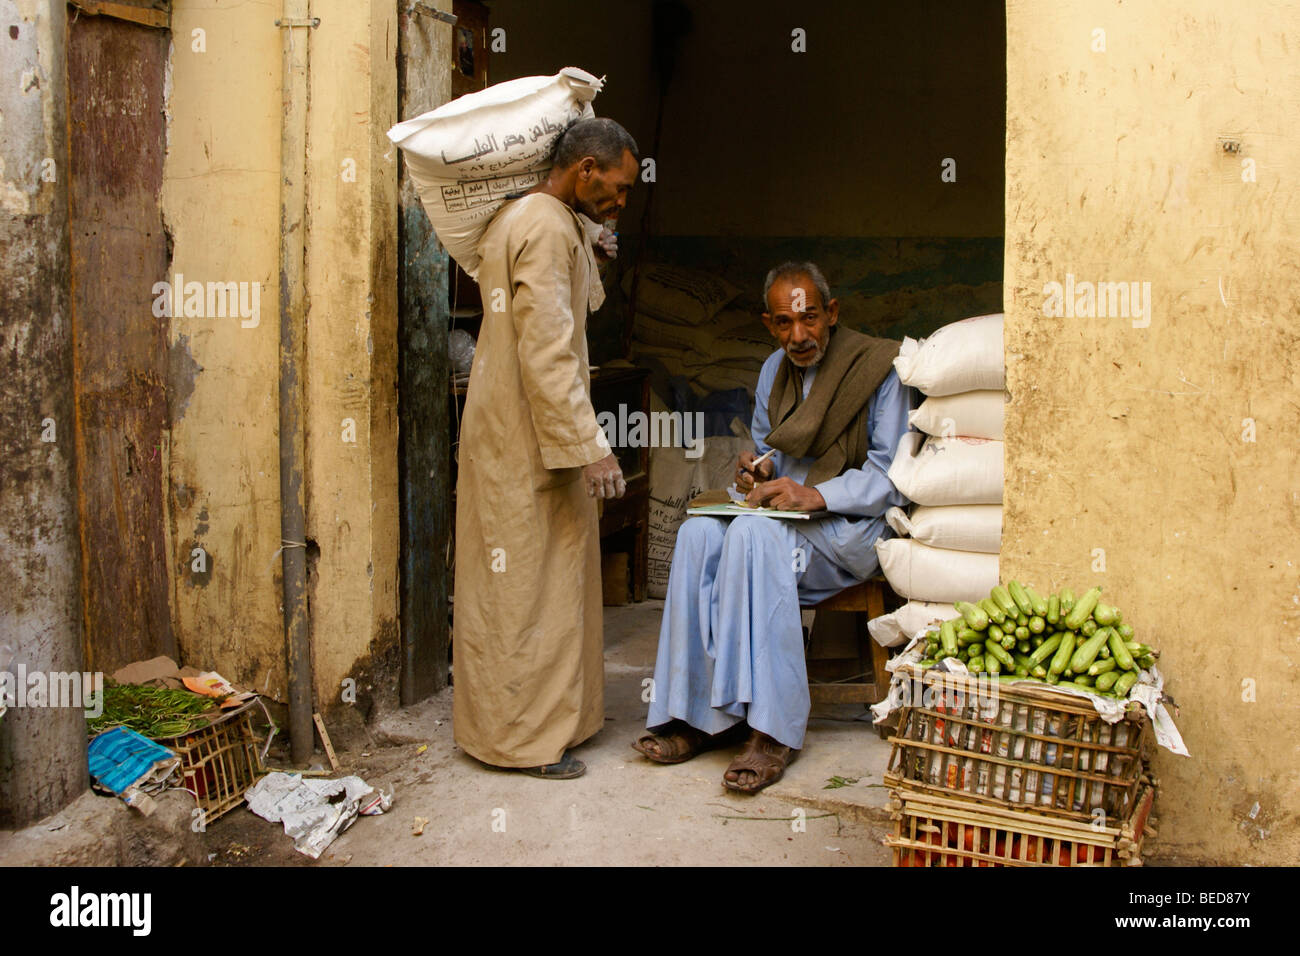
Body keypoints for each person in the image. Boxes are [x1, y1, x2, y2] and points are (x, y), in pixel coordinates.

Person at [633, 262, 916, 792]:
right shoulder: (772, 371)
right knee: (697, 532)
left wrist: (816, 494)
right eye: (784, 323)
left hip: (851, 528)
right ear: (769, 324)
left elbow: (892, 476)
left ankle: (771, 730)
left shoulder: (879, 369)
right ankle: (697, 715)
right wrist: (757, 468)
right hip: (786, 523)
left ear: (831, 314)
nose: (799, 335)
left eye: (809, 319)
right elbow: (773, 452)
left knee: (751, 536)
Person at [453, 117, 639, 779]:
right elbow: (548, 347)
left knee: (513, 585)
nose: (620, 202)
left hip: (503, 429)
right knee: (531, 592)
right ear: (585, 169)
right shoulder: (550, 225)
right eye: (616, 188)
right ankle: (527, 743)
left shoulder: (518, 218)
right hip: (533, 439)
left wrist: (591, 248)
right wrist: (589, 444)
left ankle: (511, 727)